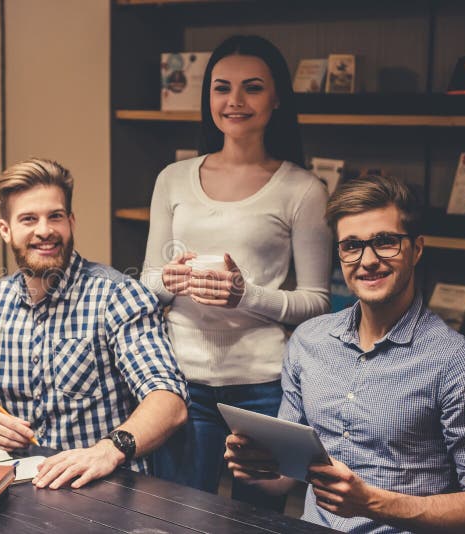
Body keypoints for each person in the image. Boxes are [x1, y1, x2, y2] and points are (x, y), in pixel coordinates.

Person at [225, 175, 465, 533]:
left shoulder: (459, 364)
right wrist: (259, 469)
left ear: (417, 249)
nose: (368, 260)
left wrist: (373, 504)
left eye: (386, 242)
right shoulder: (308, 341)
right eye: (351, 246)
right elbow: (287, 478)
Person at [0, 157, 189, 489]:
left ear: (71, 221)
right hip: (23, 489)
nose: (44, 230)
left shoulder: (118, 295)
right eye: (29, 219)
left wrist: (108, 450)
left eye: (55, 217)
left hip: (105, 489)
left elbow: (169, 400)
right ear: (7, 230)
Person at [141, 34, 331, 503]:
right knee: (176, 515)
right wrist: (169, 278)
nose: (235, 101)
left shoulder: (303, 189)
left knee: (258, 520)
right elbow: (146, 283)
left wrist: (245, 294)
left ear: (277, 98)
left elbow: (317, 303)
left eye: (253, 88)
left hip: (262, 386)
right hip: (179, 378)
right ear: (207, 98)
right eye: (222, 88)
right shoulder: (173, 178)